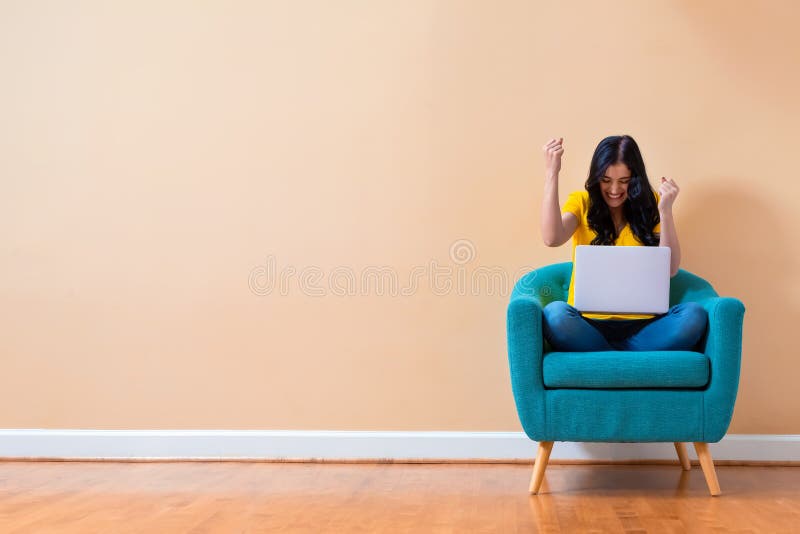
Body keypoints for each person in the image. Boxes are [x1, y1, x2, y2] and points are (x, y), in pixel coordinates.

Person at [540, 135, 707, 351]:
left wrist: (665, 211)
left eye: (624, 181)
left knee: (694, 315)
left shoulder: (652, 204)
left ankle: (606, 355)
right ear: (596, 177)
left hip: (645, 327)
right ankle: (620, 354)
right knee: (556, 314)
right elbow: (551, 238)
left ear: (635, 179)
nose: (614, 190)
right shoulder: (582, 202)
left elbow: (671, 269)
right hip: (588, 325)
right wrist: (552, 174)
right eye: (606, 180)